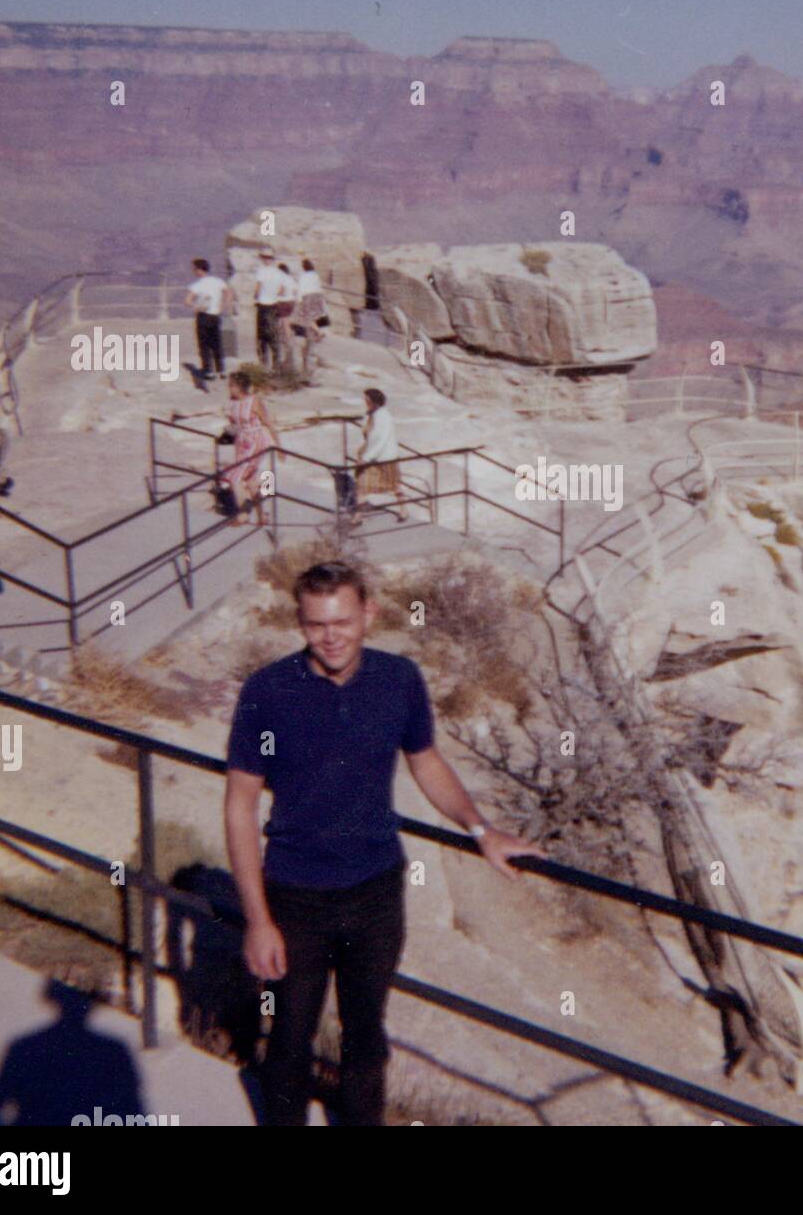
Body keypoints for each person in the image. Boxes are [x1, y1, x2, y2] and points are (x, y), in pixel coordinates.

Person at [224, 560, 544, 1126]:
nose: (331, 636)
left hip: (375, 891)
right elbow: (240, 805)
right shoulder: (268, 691)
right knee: (290, 1038)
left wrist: (480, 828)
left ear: (369, 614)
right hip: (294, 894)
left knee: (366, 1037)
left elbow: (426, 760)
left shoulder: (399, 680)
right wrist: (257, 918)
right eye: (316, 624)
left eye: (344, 621)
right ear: (300, 622)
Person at [223, 371, 282, 527]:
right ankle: (262, 515)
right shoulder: (232, 403)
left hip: (256, 441)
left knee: (235, 477)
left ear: (241, 386)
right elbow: (234, 425)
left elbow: (268, 423)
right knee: (250, 480)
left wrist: (279, 446)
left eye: (232, 385)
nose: (230, 388)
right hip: (241, 442)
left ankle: (244, 514)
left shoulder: (253, 401)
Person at [352, 388, 402, 524]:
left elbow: (382, 441)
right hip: (371, 457)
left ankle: (404, 509)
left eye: (367, 400)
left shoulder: (385, 417)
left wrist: (366, 458)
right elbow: (367, 434)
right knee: (361, 485)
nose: (365, 403)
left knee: (394, 486)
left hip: (384, 458)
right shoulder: (370, 415)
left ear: (375, 402)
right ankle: (358, 516)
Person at [183, 258, 230, 380]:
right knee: (217, 343)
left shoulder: (197, 285)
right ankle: (221, 369)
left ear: (198, 270)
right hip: (215, 315)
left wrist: (196, 307)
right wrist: (223, 306)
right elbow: (228, 292)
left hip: (203, 316)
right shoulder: (218, 281)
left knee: (204, 344)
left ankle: (209, 370)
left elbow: (187, 300)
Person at [291, 258, 329, 381]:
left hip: (307, 298)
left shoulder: (304, 276)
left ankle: (318, 331)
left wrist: (298, 304)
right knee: (311, 322)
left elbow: (300, 292)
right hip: (317, 299)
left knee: (306, 322)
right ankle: (317, 332)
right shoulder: (315, 275)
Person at [252, 247, 287, 370]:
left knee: (262, 338)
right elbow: (282, 291)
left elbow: (258, 289)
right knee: (274, 335)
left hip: (263, 305)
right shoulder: (279, 273)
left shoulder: (261, 271)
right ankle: (276, 365)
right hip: (274, 306)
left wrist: (256, 296)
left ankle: (264, 365)